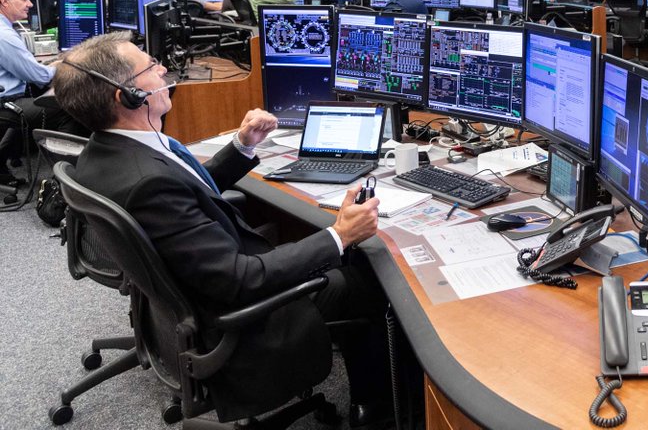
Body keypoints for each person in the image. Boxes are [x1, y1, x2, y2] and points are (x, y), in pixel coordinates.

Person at [52, 32, 398, 427]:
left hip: (198, 287)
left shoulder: (112, 151)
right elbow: (241, 280)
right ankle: (376, 410)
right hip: (240, 313)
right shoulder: (147, 182)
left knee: (325, 246)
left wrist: (242, 146)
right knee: (370, 279)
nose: (163, 69)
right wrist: (340, 235)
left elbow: (188, 193)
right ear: (127, 96)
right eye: (150, 66)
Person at [0, 0, 87, 184]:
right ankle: (64, 178)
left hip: (7, 97)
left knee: (39, 99)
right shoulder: (4, 36)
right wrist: (65, 64)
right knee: (68, 108)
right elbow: (39, 76)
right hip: (5, 103)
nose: (30, 4)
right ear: (4, 1)